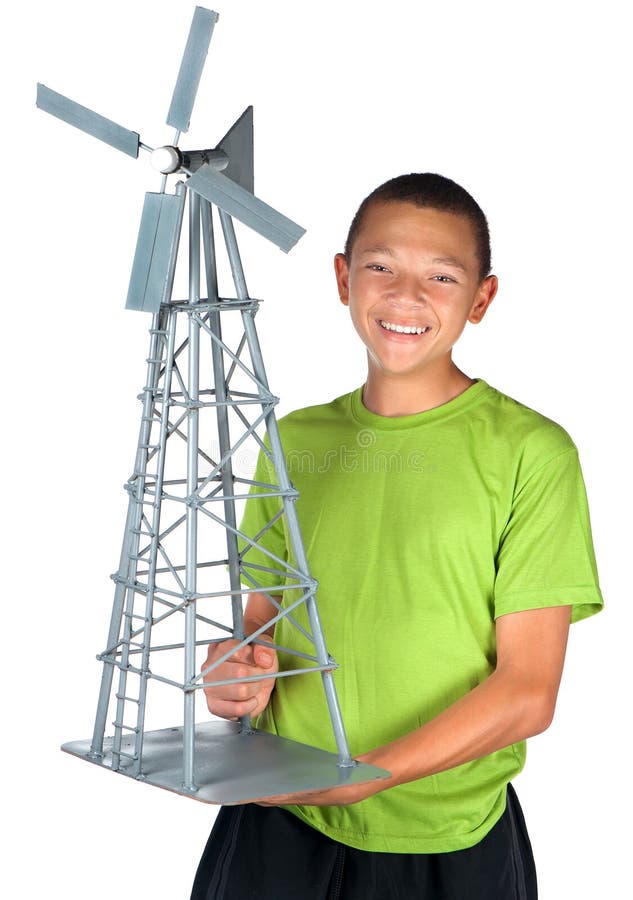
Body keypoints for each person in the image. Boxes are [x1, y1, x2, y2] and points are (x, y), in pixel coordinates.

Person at [190, 173, 603, 899]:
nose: (406, 296)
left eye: (440, 276)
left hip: (448, 839)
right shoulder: (293, 441)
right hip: (276, 823)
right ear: (344, 278)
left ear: (480, 299)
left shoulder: (531, 453)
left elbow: (528, 691)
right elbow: (261, 631)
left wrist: (364, 778)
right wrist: (231, 678)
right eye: (380, 266)